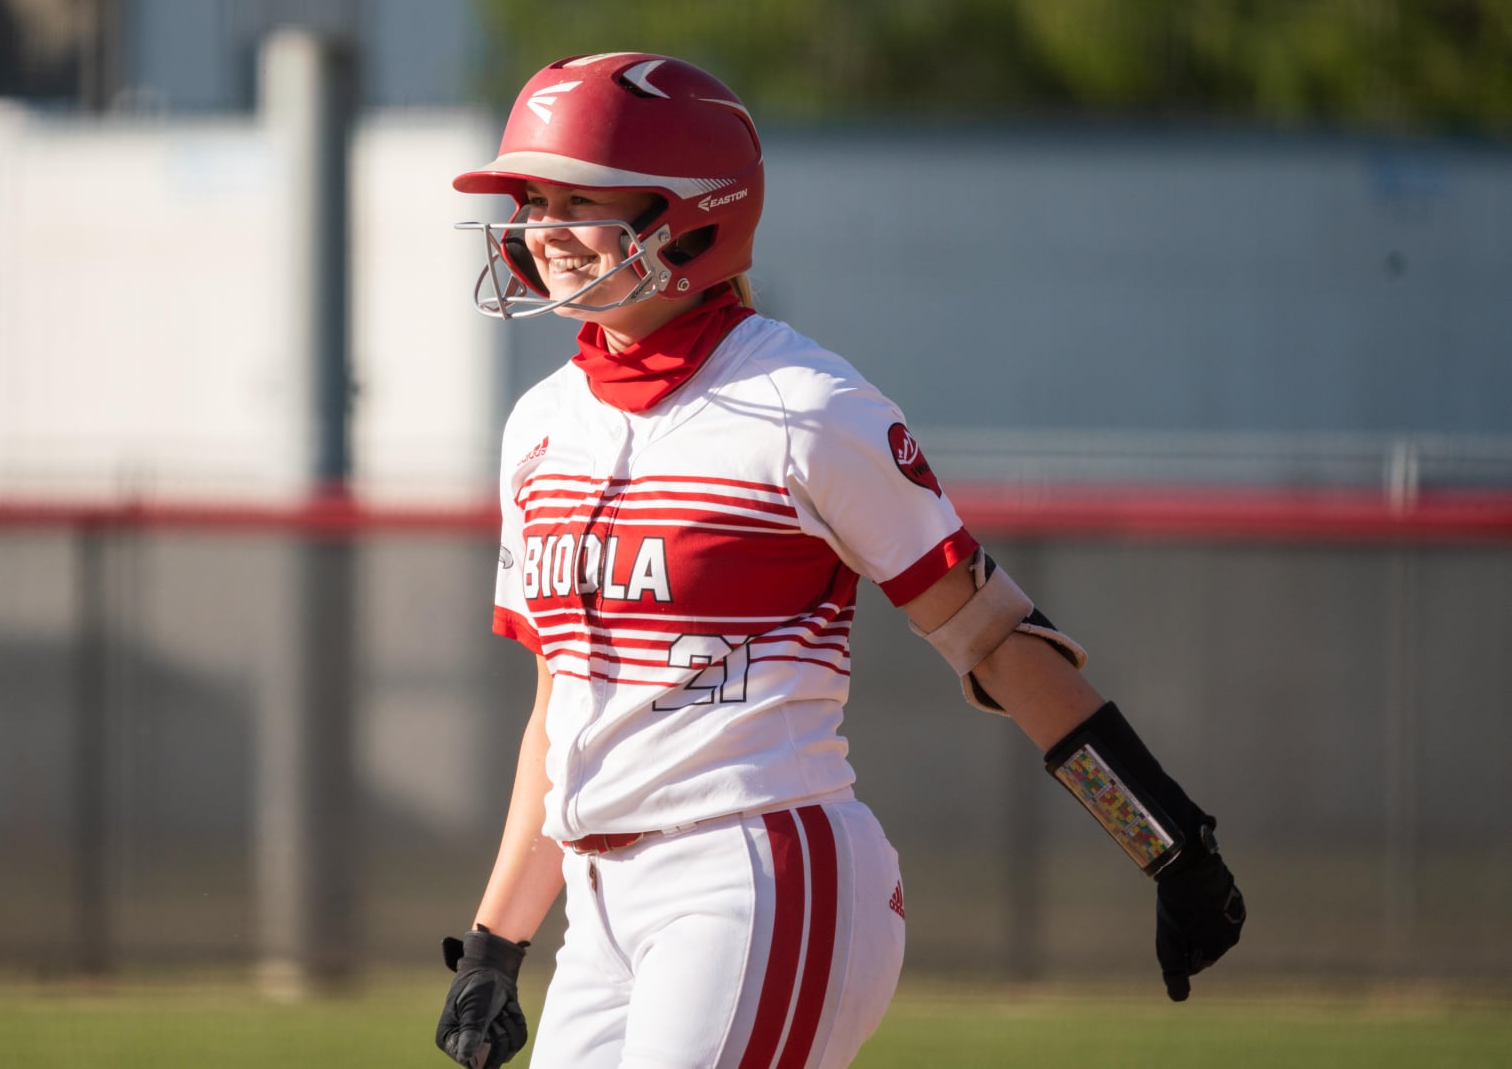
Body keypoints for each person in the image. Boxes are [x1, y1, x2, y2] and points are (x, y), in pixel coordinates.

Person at [435, 53, 1245, 1069]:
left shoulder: (803, 406)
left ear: (691, 211)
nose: (541, 229)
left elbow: (992, 637)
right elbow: (562, 707)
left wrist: (1166, 840)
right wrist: (499, 942)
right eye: (533, 199)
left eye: (578, 199)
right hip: (603, 906)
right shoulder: (540, 424)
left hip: (757, 872)